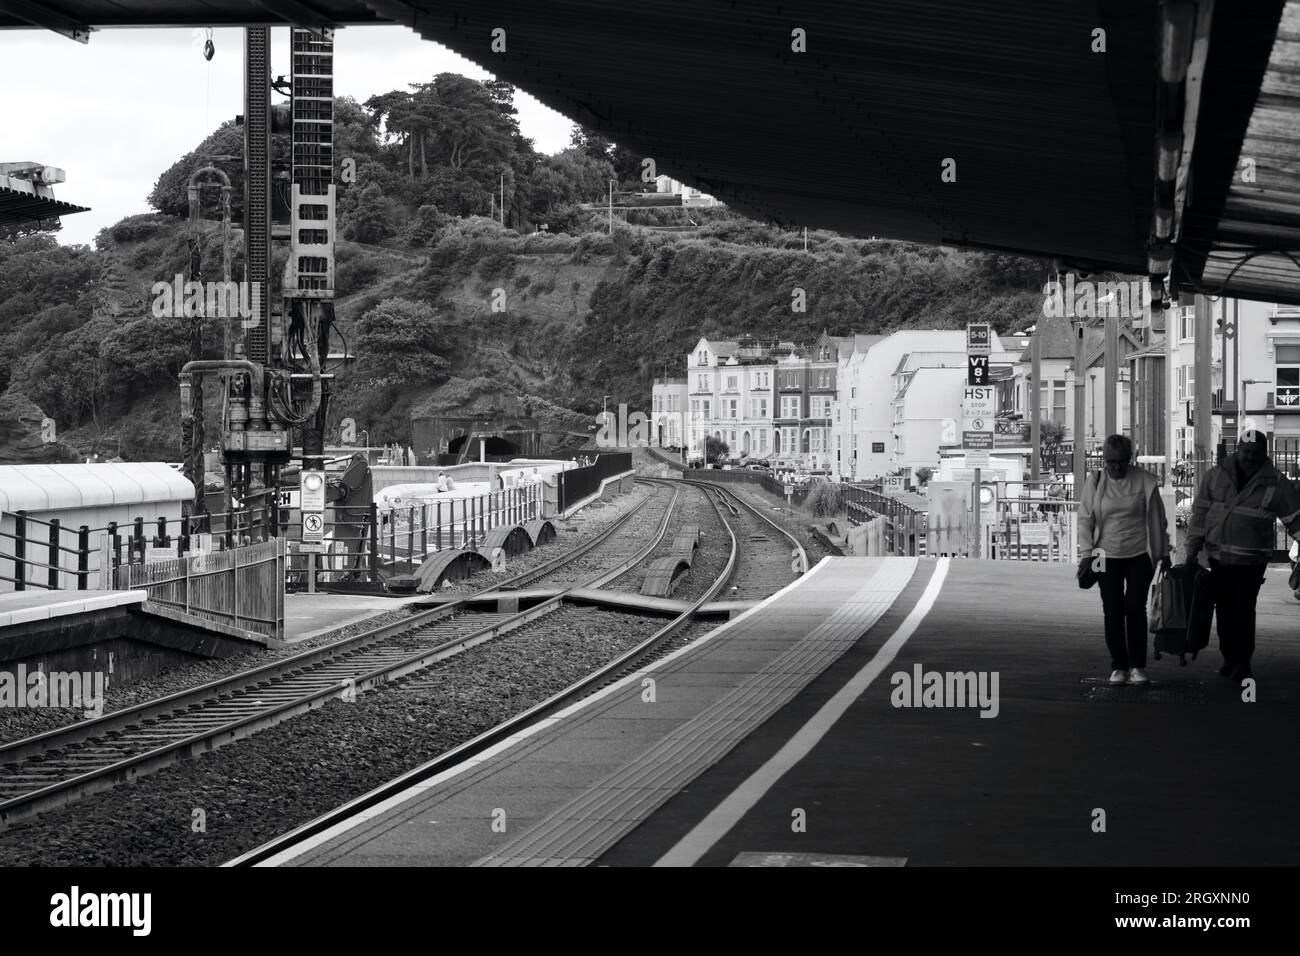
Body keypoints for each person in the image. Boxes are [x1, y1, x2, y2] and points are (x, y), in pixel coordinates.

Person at [1181, 431, 1300, 681]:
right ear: (1238, 450)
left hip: (1251, 561)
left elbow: (1294, 519)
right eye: (1246, 452)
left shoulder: (1276, 483)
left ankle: (1242, 661)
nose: (1250, 457)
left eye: (1256, 453)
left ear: (1264, 454)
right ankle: (1230, 657)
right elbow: (1200, 515)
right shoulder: (1215, 476)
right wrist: (1192, 549)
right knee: (1225, 609)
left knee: (1244, 609)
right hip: (1219, 558)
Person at [1077, 434, 1172, 686]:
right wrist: (1087, 554)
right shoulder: (1095, 481)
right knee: (1112, 611)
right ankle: (1119, 666)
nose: (1116, 467)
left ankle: (1137, 667)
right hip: (1102, 555)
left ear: (1129, 459)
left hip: (1140, 553)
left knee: (1134, 609)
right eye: (1111, 462)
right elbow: (1085, 519)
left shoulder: (1144, 480)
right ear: (1104, 460)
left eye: (1120, 461)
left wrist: (1164, 551)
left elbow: (1158, 519)